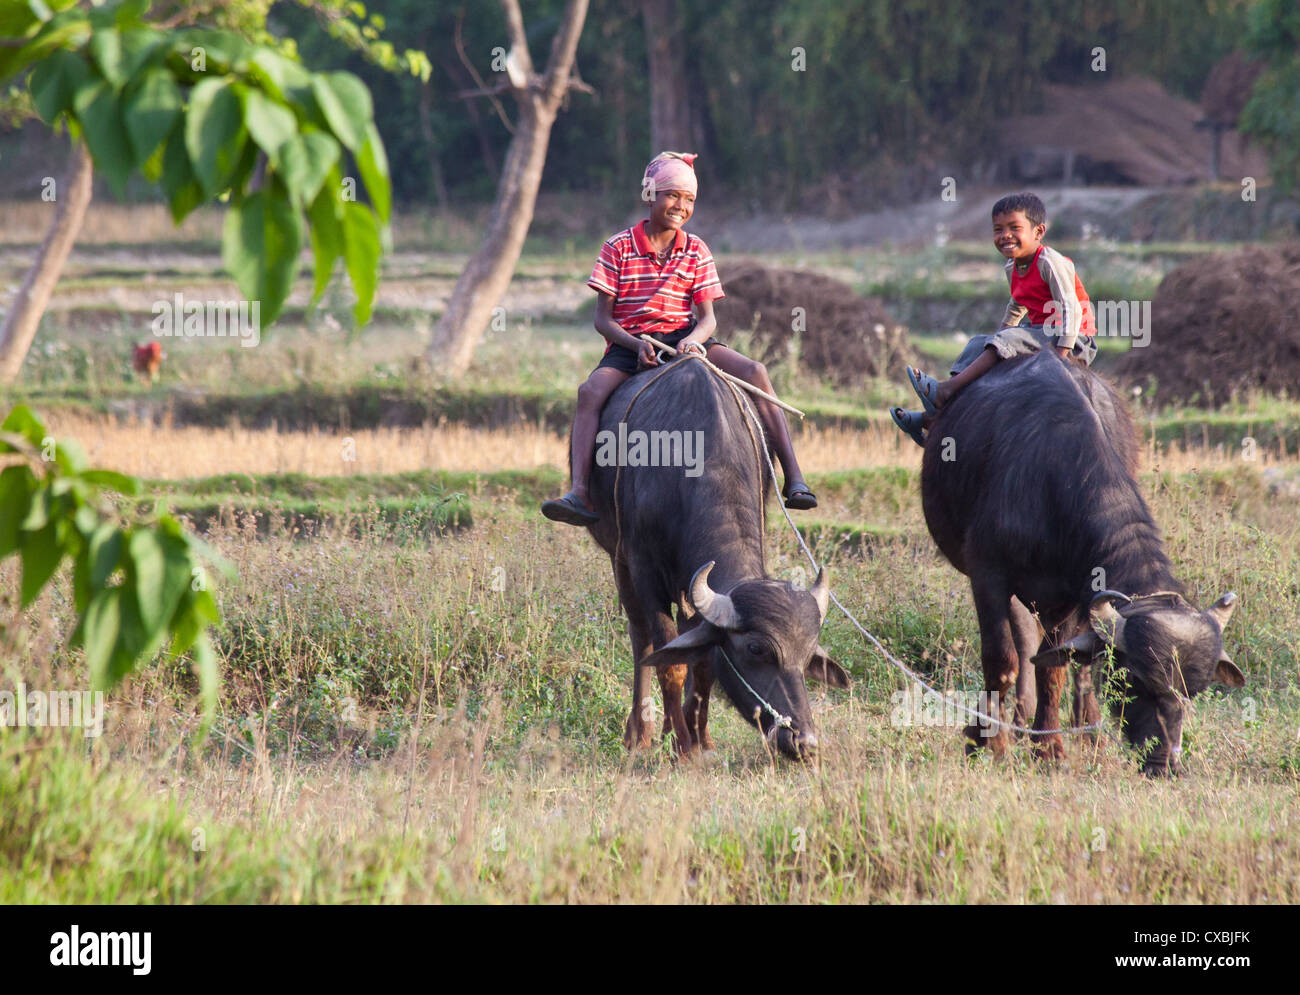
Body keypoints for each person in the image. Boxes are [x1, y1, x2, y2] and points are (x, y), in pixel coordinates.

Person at [542, 151, 817, 524]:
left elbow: (708, 320)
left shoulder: (696, 250)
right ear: (650, 195)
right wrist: (636, 344)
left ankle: (795, 479)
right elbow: (602, 321)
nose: (681, 206)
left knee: (755, 371)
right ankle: (579, 492)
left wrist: (693, 341)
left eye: (689, 199)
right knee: (589, 393)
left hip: (685, 339)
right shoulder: (617, 247)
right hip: (630, 342)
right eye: (672, 195)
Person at [891, 192, 1098, 446]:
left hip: (1074, 337)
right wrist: (999, 338)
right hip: (1038, 331)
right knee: (979, 344)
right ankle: (936, 415)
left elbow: (1071, 307)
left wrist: (1061, 355)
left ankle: (945, 391)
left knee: (1007, 339)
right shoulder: (1013, 267)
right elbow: (1016, 305)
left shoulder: (1050, 262)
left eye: (1015, 228)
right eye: (998, 229)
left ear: (1038, 231)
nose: (1005, 236)